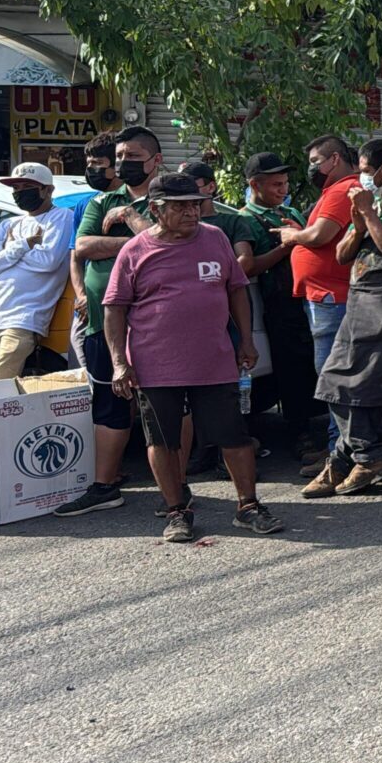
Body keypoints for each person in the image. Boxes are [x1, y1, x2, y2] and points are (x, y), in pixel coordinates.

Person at [104, 173, 278, 541]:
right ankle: (176, 510)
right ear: (155, 210)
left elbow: (237, 291)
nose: (191, 212)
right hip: (155, 366)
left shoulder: (215, 239)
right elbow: (114, 309)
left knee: (234, 435)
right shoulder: (134, 251)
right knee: (163, 441)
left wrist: (245, 340)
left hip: (214, 360)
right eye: (179, 206)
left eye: (194, 204)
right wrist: (120, 362)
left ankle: (248, 506)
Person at [304, 139, 382, 499]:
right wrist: (358, 225)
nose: (361, 178)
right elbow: (344, 255)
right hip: (359, 298)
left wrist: (370, 217)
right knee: (336, 382)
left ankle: (358, 458)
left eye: (363, 170)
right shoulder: (369, 202)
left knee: (353, 384)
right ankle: (358, 456)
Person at [55, 125, 163, 516]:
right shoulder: (102, 202)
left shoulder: (171, 198)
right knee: (109, 402)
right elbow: (83, 247)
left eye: (133, 157)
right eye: (120, 157)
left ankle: (175, 488)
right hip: (104, 322)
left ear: (156, 160)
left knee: (167, 406)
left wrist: (132, 222)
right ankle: (105, 485)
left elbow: (167, 248)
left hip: (158, 324)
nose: (123, 164)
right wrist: (142, 241)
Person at [281, 135, 361, 462]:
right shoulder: (333, 191)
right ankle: (338, 447)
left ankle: (339, 453)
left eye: (317, 160)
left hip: (332, 298)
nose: (313, 167)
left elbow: (320, 236)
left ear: (335, 159)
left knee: (333, 379)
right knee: (331, 377)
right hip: (324, 296)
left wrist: (292, 236)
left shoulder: (343, 189)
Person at [240, 152, 323, 458]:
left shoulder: (293, 213)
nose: (282, 189)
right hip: (276, 305)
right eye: (275, 184)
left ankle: (315, 424)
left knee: (310, 365)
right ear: (255, 185)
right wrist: (287, 246)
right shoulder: (244, 219)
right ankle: (299, 432)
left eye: (285, 183)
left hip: (307, 299)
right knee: (289, 370)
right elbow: (248, 267)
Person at [0, 163, 76, 381]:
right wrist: (23, 245)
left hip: (25, 317)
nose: (20, 192)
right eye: (16, 187)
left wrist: (8, 254)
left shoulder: (62, 217)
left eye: (27, 186)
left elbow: (47, 261)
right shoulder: (8, 224)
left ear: (48, 190)